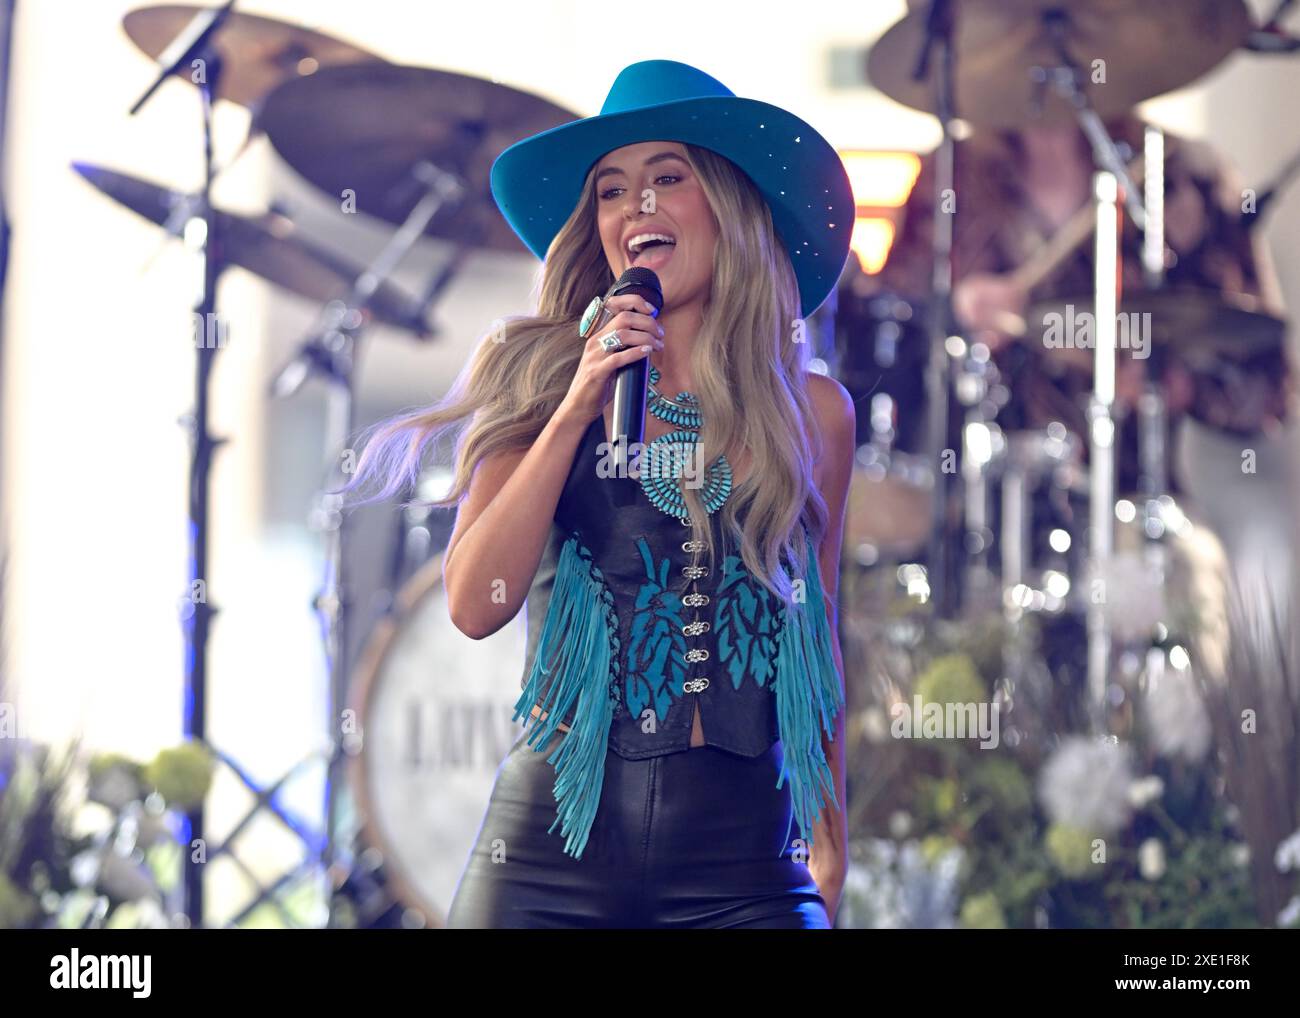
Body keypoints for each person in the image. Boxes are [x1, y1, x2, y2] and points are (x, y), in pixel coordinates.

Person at [341, 60, 857, 928]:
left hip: (748, 867)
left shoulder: (813, 415)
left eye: (667, 178)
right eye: (612, 191)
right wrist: (579, 403)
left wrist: (833, 833)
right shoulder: (534, 376)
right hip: (553, 852)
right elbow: (475, 603)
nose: (636, 207)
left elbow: (821, 629)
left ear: (728, 206)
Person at [869, 114, 1293, 495]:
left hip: (1136, 507)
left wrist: (1173, 384)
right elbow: (880, 345)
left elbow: (1266, 384)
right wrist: (950, 312)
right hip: (971, 509)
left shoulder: (1180, 173)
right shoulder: (946, 181)